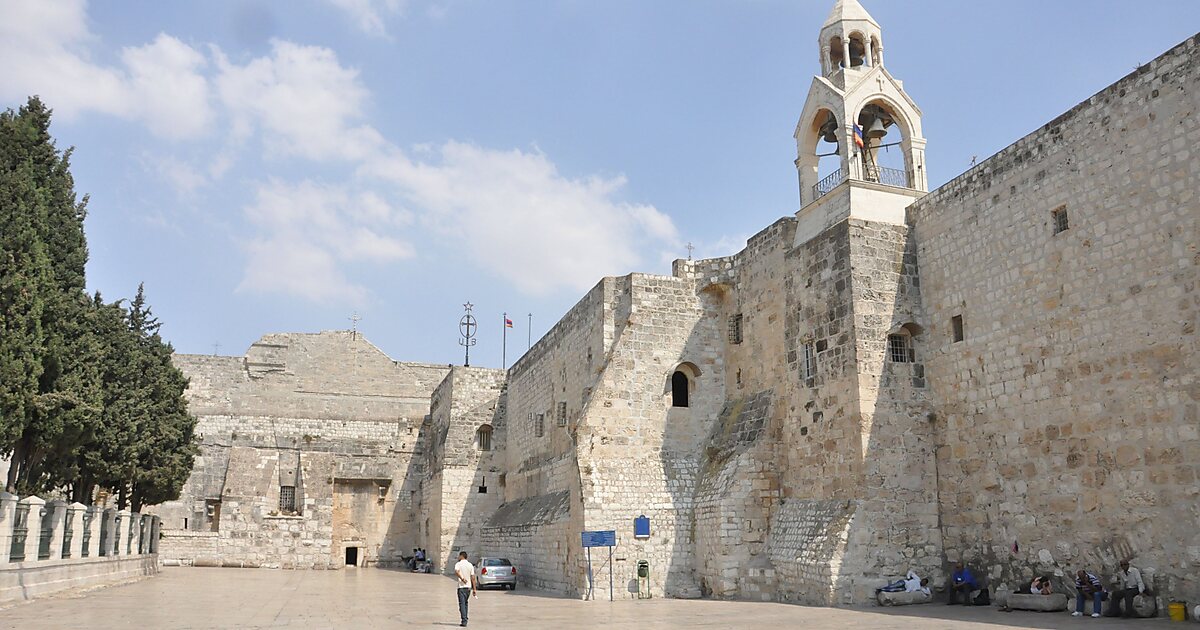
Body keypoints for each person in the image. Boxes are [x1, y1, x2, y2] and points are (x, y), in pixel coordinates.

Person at [454, 551, 477, 627]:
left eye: (459, 556)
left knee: (462, 604)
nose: (458, 557)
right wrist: (474, 589)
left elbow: (456, 572)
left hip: (461, 587)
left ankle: (464, 621)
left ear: (461, 556)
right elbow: (473, 578)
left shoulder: (458, 564)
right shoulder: (470, 565)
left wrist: (462, 578)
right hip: (468, 587)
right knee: (466, 603)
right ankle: (465, 619)